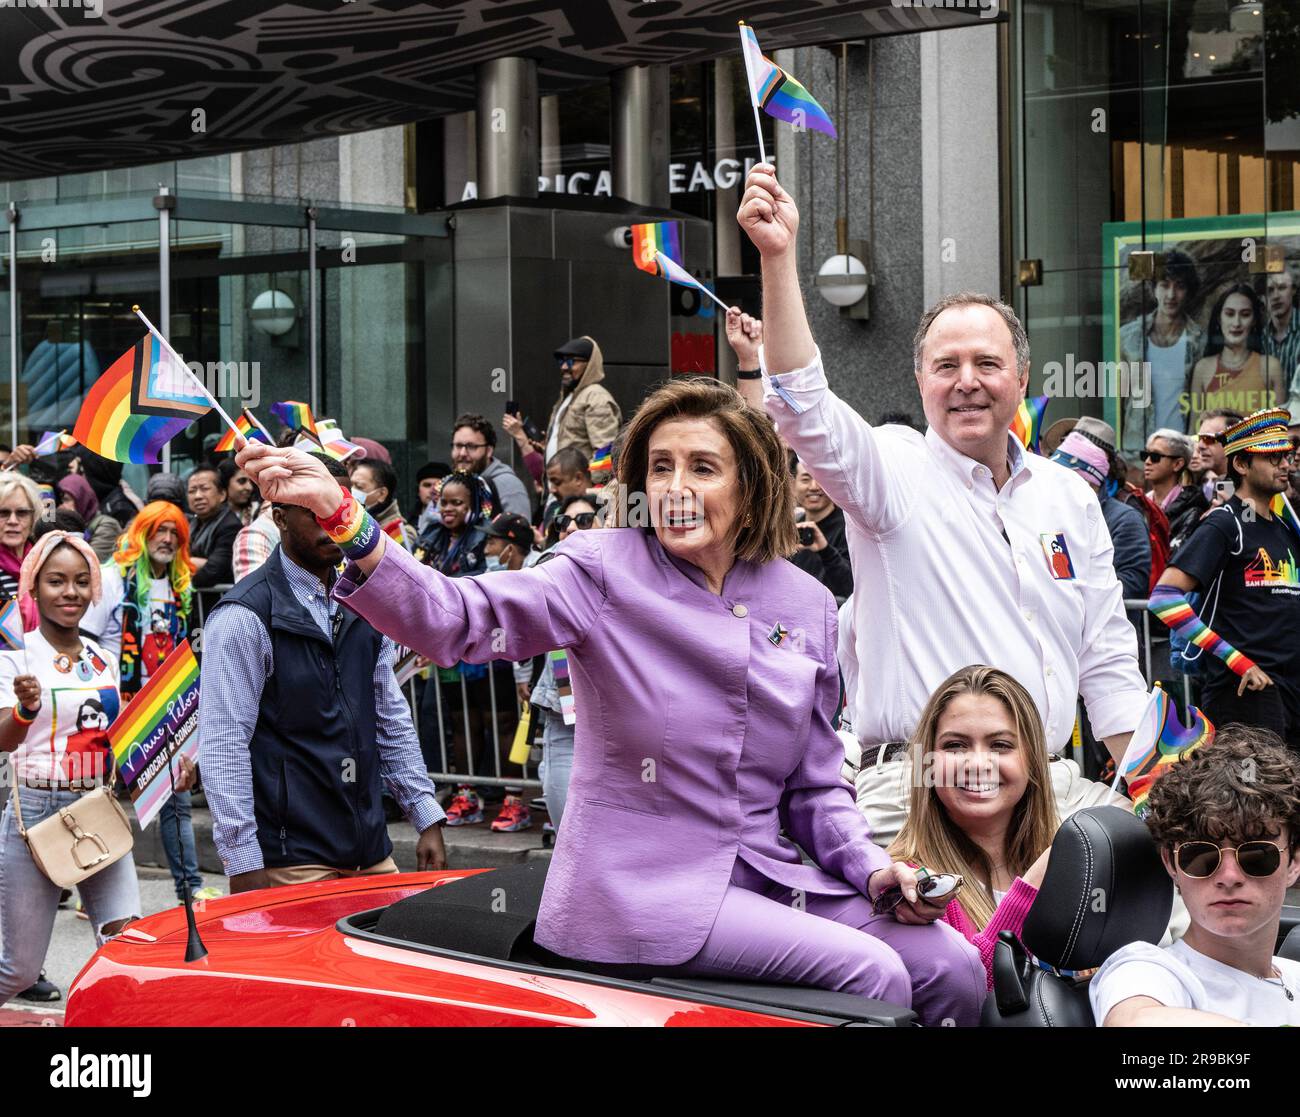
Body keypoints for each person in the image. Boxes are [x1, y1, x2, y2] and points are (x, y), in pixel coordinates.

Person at [236, 376, 988, 1027]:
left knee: (952, 962)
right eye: (659, 467)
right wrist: (345, 516)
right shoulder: (597, 568)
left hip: (773, 879)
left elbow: (817, 786)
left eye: (702, 466)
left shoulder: (808, 600)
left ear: (751, 484)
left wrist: (870, 869)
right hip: (642, 892)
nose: (675, 487)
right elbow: (452, 619)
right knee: (874, 977)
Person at [735, 162, 1150, 847]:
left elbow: (1108, 664)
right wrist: (778, 258)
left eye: (986, 364)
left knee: (1154, 900)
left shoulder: (1069, 497)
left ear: (1021, 377)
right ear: (920, 379)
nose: (967, 383)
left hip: (1050, 791)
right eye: (946, 365)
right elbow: (802, 407)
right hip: (915, 793)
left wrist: (1155, 786)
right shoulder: (892, 468)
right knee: (936, 957)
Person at [197, 455, 447, 891]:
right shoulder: (243, 616)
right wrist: (243, 862)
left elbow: (389, 717)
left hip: (370, 851)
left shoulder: (366, 601)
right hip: (289, 861)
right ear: (280, 518)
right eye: (313, 510)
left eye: (338, 505)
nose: (330, 520)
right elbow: (224, 746)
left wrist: (424, 814)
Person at [889, 665, 1134, 987]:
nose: (977, 763)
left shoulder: (1083, 866)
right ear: (928, 762)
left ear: (1033, 761)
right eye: (955, 746)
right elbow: (971, 994)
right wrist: (1030, 888)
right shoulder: (907, 880)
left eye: (1000, 745)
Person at [0, 532, 139, 1004]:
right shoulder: (17, 655)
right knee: (17, 971)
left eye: (82, 582)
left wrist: (163, 760)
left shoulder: (103, 656)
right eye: (56, 581)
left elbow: (112, 737)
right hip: (35, 813)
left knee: (128, 944)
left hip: (95, 808)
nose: (70, 593)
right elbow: (3, 738)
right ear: (34, 588)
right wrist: (22, 709)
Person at [1091, 726, 1300, 1026]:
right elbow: (1133, 1022)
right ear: (1172, 864)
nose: (1228, 876)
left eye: (1256, 856)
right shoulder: (1148, 970)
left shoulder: (1294, 975)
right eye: (1201, 857)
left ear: (1293, 860)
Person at [79, 502, 220, 905]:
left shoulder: (180, 585)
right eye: (159, 530)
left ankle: (189, 890)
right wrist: (107, 696)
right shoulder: (113, 579)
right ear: (142, 533)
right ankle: (87, 885)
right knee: (98, 800)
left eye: (175, 533)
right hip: (113, 707)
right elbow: (85, 643)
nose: (167, 540)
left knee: (175, 801)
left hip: (162, 708)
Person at [1149, 408, 1300, 749]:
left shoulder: (1285, 529)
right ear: (1242, 466)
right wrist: (1236, 660)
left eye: (1286, 456)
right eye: (1272, 457)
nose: (1284, 465)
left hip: (1290, 689)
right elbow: (1164, 599)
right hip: (1245, 692)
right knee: (1252, 797)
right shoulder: (1224, 523)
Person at [523, 496, 602, 833]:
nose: (570, 527)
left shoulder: (633, 567)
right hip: (564, 711)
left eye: (583, 520)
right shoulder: (549, 564)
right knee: (567, 827)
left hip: (617, 716)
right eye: (562, 522)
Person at [1051, 425, 1151, 601]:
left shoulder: (1126, 520)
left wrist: (1074, 595)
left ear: (1088, 482)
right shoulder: (1052, 520)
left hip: (1104, 625)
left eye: (1062, 478)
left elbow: (1132, 584)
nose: (1052, 485)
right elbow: (1058, 575)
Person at [1119, 249, 1204, 451]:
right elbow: (1119, 398)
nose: (1171, 294)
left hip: (1182, 449)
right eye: (1164, 285)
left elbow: (1200, 401)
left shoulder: (1199, 339)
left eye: (1179, 286)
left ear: (1189, 291)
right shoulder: (1129, 337)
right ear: (1153, 288)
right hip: (1137, 449)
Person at [1188, 284, 1287, 430]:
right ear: (1219, 318)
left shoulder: (1270, 367)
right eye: (1229, 314)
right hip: (1214, 451)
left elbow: (1281, 429)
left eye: (1245, 314)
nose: (1236, 323)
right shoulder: (1203, 368)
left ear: (1254, 320)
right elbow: (1194, 430)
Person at [545, 336, 622, 466]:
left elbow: (605, 455)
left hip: (581, 485)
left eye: (571, 362)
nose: (563, 367)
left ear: (589, 365)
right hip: (562, 485)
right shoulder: (568, 397)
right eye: (561, 361)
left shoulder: (596, 398)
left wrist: (586, 482)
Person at [789, 458, 853, 599]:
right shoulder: (791, 527)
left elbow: (850, 588)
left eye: (821, 479)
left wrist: (825, 550)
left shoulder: (850, 529)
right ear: (793, 485)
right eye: (806, 479)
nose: (814, 486)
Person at [450, 413, 531, 520]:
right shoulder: (449, 484)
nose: (462, 453)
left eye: (471, 446)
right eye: (458, 446)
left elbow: (521, 532)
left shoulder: (507, 485)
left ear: (489, 451)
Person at [415, 471, 493, 576]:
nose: (447, 509)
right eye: (443, 503)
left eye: (456, 503)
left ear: (474, 507)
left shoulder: (486, 538)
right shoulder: (431, 532)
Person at [1142, 428, 1207, 551]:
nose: (1147, 462)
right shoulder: (1140, 503)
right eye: (1145, 455)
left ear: (1177, 464)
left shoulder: (1192, 511)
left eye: (1155, 456)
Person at [187, 464, 242, 588]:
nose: (198, 496)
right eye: (192, 491)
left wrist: (181, 582)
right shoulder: (191, 524)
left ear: (222, 495)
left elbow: (213, 571)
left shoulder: (230, 526)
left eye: (204, 489)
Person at [0, 473, 41, 630]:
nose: (13, 521)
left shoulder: (46, 563)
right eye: (3, 513)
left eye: (22, 513)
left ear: (33, 518)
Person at [350, 458, 416, 550]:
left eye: (359, 487)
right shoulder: (351, 522)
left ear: (382, 494)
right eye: (351, 485)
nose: (351, 491)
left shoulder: (400, 532)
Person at [54, 474, 121, 562]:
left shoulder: (106, 525)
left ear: (82, 500)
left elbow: (90, 562)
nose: (61, 506)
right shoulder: (64, 525)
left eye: (66, 499)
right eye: (60, 501)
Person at [1262, 266, 1300, 419]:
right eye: (1270, 290)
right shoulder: (1259, 338)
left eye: (1282, 288)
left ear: (1294, 290)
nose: (1275, 296)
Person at [1193, 408, 1245, 508]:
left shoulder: (1252, 488)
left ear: (1233, 442)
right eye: (1199, 438)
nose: (1200, 446)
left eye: (1208, 439)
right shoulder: (1219, 484)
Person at [541, 448, 592, 537]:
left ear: (578, 478)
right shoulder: (553, 509)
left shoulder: (605, 506)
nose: (552, 490)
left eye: (557, 482)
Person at [217, 459, 260, 527]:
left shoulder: (259, 511)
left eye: (251, 482)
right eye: (242, 481)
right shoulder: (213, 515)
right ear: (224, 483)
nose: (249, 487)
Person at [413, 461, 450, 538]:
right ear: (418, 490)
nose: (432, 491)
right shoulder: (408, 522)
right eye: (427, 485)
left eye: (438, 485)